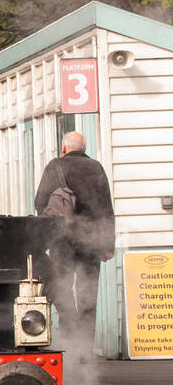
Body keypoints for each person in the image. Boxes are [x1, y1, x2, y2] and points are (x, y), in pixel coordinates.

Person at [34, 131, 116, 343]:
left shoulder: (55, 166)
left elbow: (40, 203)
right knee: (87, 295)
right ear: (84, 149)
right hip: (91, 241)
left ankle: (70, 341)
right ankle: (85, 349)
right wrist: (108, 245)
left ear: (64, 148)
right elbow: (106, 208)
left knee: (62, 288)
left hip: (62, 241)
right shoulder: (96, 168)